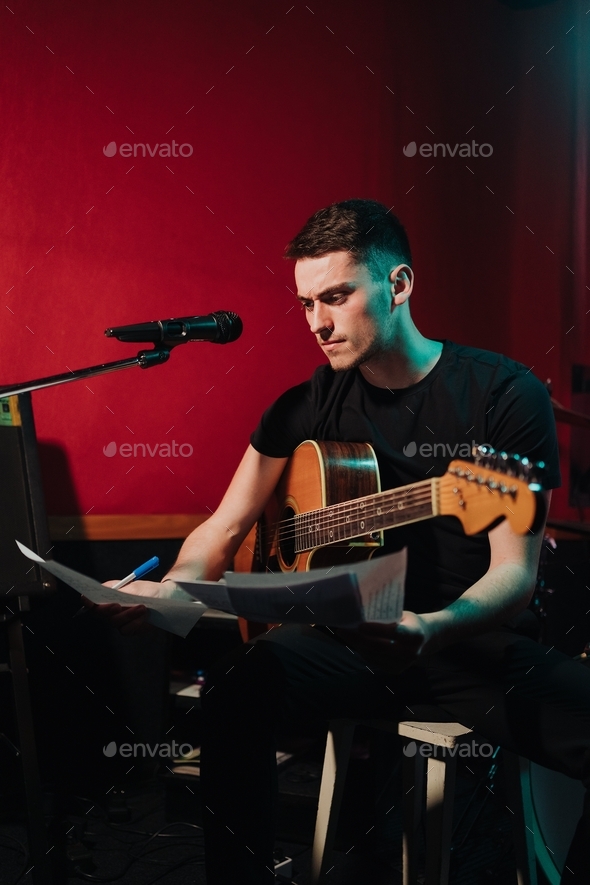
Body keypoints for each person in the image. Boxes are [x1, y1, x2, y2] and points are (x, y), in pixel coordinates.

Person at [90, 200, 590, 884]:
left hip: (464, 644)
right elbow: (225, 527)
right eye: (305, 303)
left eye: (336, 297)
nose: (318, 322)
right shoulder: (303, 407)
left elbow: (515, 575)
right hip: (345, 644)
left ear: (400, 285)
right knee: (237, 689)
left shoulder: (504, 395)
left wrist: (435, 626)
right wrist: (169, 588)